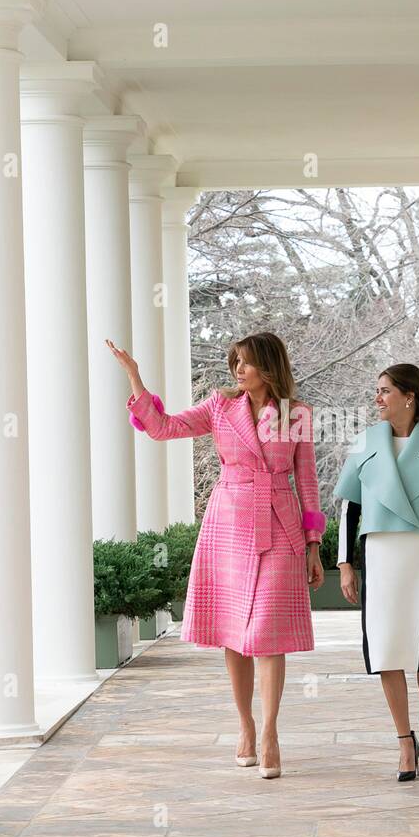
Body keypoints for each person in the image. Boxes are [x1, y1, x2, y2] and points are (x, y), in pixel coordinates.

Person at [107, 332, 325, 779]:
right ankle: (244, 725)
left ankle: (269, 732)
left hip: (281, 524)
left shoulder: (296, 414)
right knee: (234, 633)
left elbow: (307, 482)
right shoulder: (219, 407)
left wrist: (313, 545)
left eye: (246, 363)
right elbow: (164, 427)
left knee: (268, 631)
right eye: (235, 363)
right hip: (229, 523)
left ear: (268, 366)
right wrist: (135, 377)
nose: (238, 371)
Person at [332, 364, 419, 781]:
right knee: (385, 647)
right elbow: (349, 508)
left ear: (408, 395)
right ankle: (402, 741)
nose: (377, 399)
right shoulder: (365, 443)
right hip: (379, 554)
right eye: (376, 391)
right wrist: (345, 564)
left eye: (384, 391)